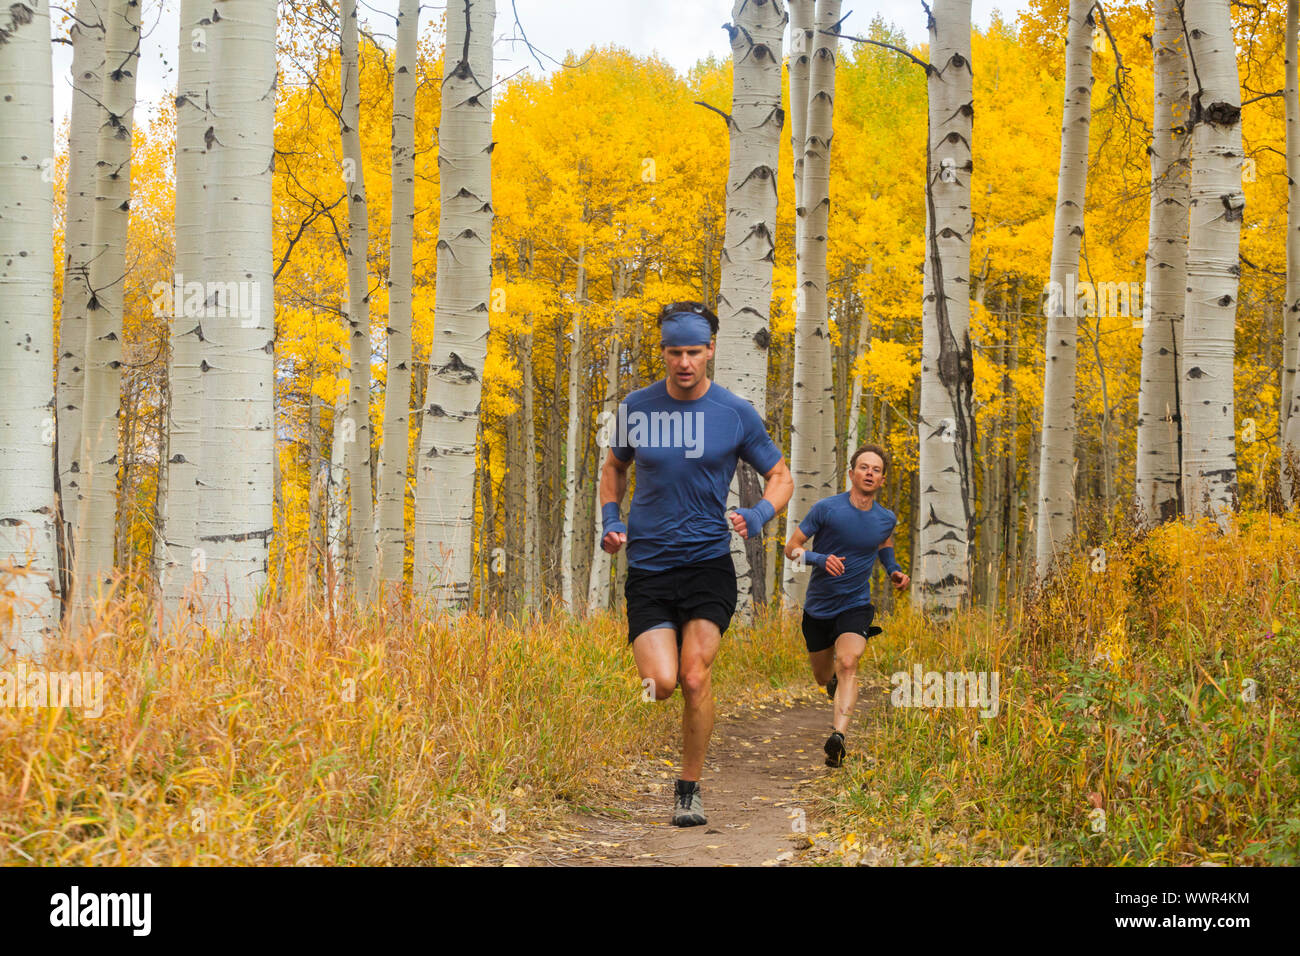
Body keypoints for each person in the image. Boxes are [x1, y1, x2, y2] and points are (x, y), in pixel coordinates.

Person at [598, 301, 793, 827]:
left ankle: (689, 788)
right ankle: (678, 756)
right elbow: (614, 467)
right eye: (674, 351)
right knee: (661, 682)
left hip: (708, 563)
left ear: (710, 351)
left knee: (693, 676)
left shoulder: (734, 413)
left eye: (694, 351)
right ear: (662, 352)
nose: (684, 362)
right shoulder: (637, 408)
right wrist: (611, 520)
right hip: (650, 568)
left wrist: (757, 514)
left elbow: (782, 477)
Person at [783, 443, 909, 767]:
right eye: (864, 467)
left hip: (855, 604)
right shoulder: (827, 509)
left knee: (849, 661)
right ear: (851, 474)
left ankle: (838, 737)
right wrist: (820, 559)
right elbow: (791, 548)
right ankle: (834, 684)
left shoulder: (886, 518)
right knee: (824, 676)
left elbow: (883, 543)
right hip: (818, 608)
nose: (870, 473)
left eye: (876, 469)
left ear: (882, 479)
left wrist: (893, 570)